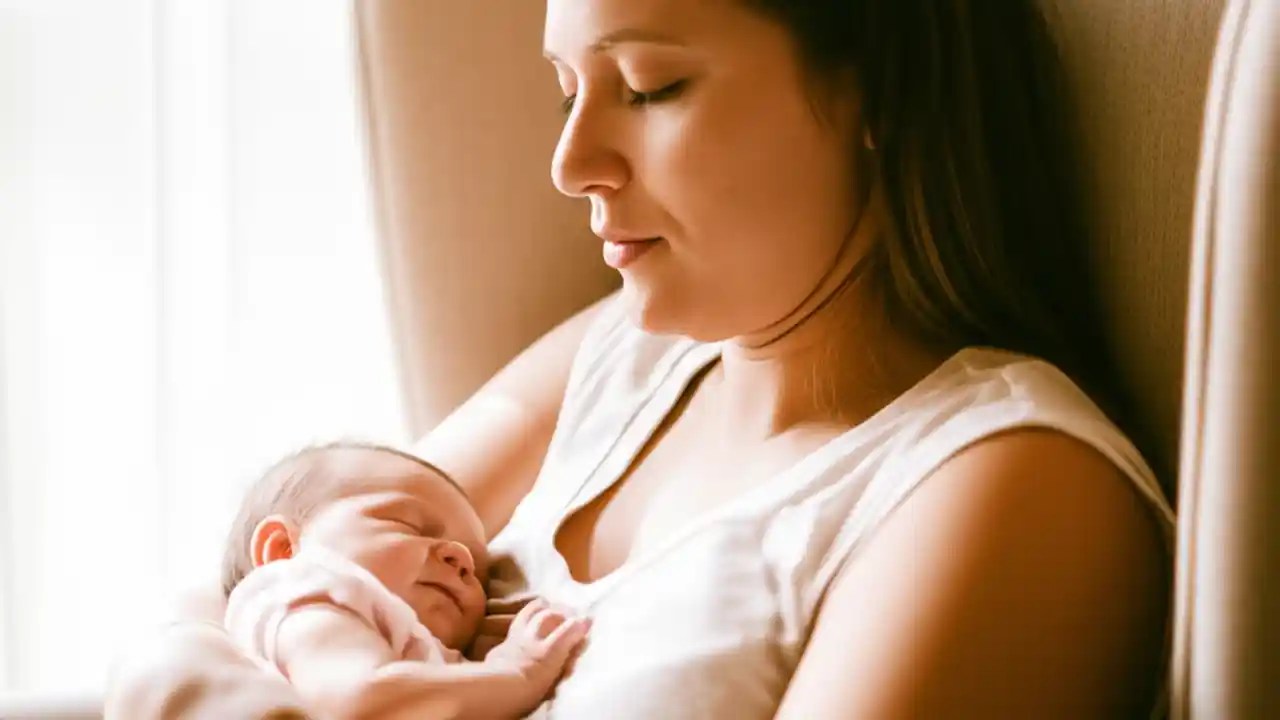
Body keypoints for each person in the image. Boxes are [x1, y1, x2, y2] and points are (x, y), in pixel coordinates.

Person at [107, 0, 1177, 717]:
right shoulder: (618, 355)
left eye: (650, 86)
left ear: (875, 94)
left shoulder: (1009, 490)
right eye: (567, 89)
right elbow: (274, 570)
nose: (571, 165)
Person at [217, 442, 589, 719]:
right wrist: (515, 673)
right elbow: (362, 703)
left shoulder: (407, 647)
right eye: (410, 525)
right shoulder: (306, 600)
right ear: (283, 549)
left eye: (478, 572)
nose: (459, 558)